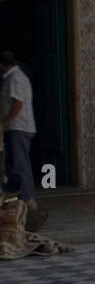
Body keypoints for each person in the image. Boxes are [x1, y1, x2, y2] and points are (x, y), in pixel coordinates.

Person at [0, 50, 41, 227]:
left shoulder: (15, 78)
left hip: (19, 127)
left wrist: (5, 123)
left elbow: (18, 104)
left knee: (20, 165)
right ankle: (20, 202)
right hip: (17, 127)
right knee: (15, 165)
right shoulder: (16, 76)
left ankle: (29, 202)